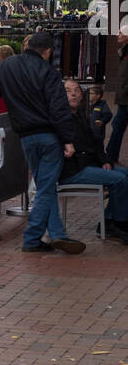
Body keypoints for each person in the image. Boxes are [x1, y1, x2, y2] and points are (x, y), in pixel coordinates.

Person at [0, 30, 84, 254]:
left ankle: (56, 233)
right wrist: (68, 140)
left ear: (26, 47)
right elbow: (59, 109)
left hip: (26, 136)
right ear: (48, 51)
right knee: (46, 188)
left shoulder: (6, 66)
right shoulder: (48, 72)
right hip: (49, 136)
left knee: (44, 187)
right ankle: (32, 238)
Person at [62, 79, 128, 243]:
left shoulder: (81, 115)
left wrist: (104, 161)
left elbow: (95, 142)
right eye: (68, 90)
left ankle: (110, 220)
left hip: (87, 164)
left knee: (125, 173)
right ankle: (119, 222)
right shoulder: (60, 118)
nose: (73, 93)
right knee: (119, 179)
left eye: (77, 90)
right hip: (72, 170)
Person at [105, 30, 128, 165]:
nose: (117, 35)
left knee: (117, 126)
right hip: (123, 99)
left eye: (121, 33)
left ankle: (110, 157)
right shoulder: (124, 52)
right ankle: (110, 156)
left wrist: (124, 90)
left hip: (125, 98)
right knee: (117, 126)